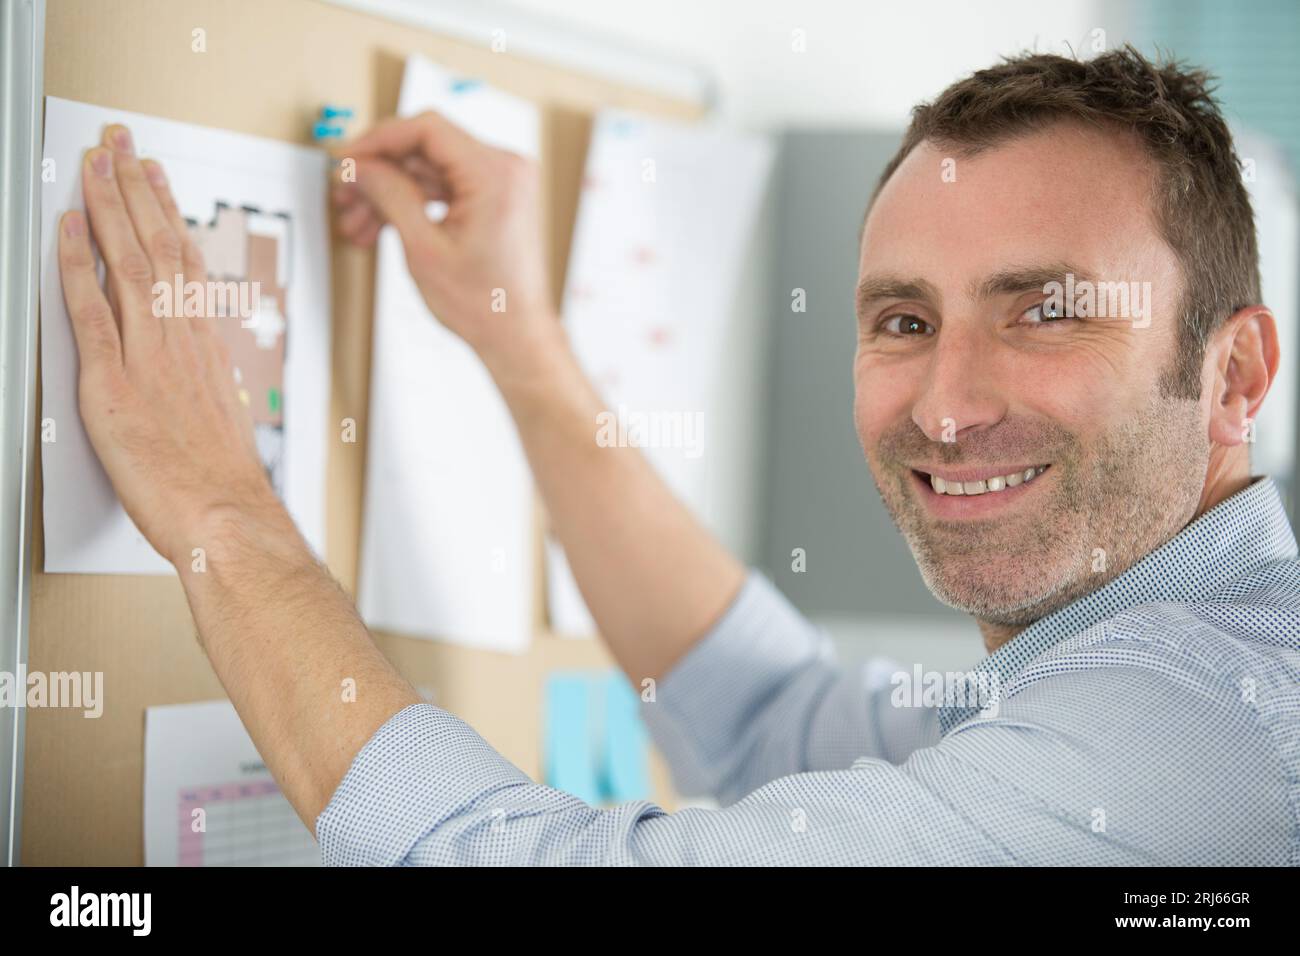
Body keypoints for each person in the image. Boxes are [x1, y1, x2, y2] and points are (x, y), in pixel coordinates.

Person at [56, 45, 1298, 865]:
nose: (948, 406)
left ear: (1232, 374)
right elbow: (771, 713)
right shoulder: (1116, 666)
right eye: (904, 321)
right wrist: (521, 342)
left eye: (1046, 310)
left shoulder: (1187, 731)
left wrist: (222, 507)